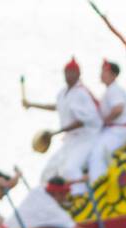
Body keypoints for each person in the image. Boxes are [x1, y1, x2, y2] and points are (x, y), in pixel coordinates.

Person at [25, 57, 102, 193]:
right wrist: (32, 105)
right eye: (66, 72)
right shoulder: (63, 93)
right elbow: (57, 107)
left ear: (78, 74)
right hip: (70, 141)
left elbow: (83, 121)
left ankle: (79, 197)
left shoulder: (81, 93)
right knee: (48, 173)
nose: (68, 75)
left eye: (72, 72)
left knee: (70, 169)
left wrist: (56, 132)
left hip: (86, 139)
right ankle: (54, 200)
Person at [3, 178, 114, 228]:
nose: (66, 197)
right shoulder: (54, 211)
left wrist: (80, 180)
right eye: (64, 193)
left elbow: (61, 183)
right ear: (57, 193)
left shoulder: (39, 189)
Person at [86, 59, 126, 181]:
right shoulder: (111, 90)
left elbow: (118, 109)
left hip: (117, 131)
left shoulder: (113, 89)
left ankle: (98, 183)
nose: (101, 74)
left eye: (105, 71)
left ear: (113, 75)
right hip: (114, 130)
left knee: (98, 154)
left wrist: (105, 121)